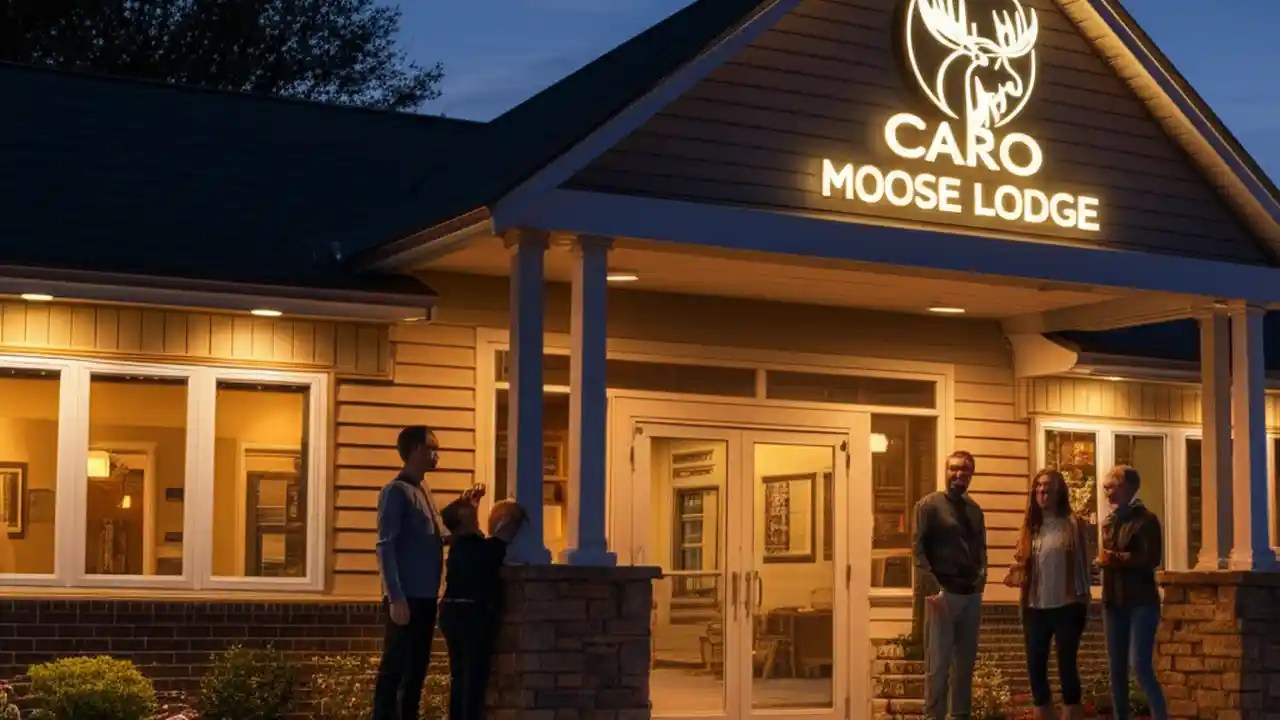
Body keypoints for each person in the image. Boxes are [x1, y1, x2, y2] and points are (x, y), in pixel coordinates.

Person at [373, 426, 452, 720]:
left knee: (416, 670)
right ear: (416, 450)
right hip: (406, 598)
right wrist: (395, 597)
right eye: (432, 448)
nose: (436, 454)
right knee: (395, 670)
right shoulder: (396, 492)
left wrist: (466, 509)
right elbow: (385, 545)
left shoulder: (424, 490)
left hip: (427, 595)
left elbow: (439, 534)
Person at [1003, 470, 1091, 720]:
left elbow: (1084, 564)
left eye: (1049, 487)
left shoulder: (1072, 525)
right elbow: (1023, 561)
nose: (1043, 491)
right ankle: (1044, 713)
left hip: (1067, 605)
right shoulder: (1030, 527)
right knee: (1035, 664)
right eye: (1039, 486)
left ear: (1059, 492)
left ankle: (1071, 712)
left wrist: (1083, 600)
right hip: (1035, 607)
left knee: (1067, 665)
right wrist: (1018, 569)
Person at [439, 497, 528, 720]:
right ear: (463, 517)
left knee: (460, 678)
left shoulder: (459, 544)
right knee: (473, 679)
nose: (475, 511)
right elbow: (498, 542)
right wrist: (511, 518)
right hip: (470, 616)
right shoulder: (474, 547)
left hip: (453, 613)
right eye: (470, 510)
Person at [913, 450, 987, 720]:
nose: (959, 474)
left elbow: (981, 550)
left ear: (971, 476)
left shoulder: (975, 510)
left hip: (970, 597)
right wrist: (935, 590)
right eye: (954, 468)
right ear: (945, 471)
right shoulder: (928, 506)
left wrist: (981, 582)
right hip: (942, 596)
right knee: (938, 668)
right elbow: (918, 552)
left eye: (965, 470)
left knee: (964, 669)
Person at [1099, 465, 1167, 720]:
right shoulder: (1109, 522)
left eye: (1112, 487)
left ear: (1128, 488)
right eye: (1105, 488)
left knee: (1140, 666)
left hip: (1141, 602)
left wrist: (1115, 558)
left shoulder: (1146, 520)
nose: (1108, 493)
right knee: (1116, 670)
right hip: (1113, 601)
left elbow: (1151, 558)